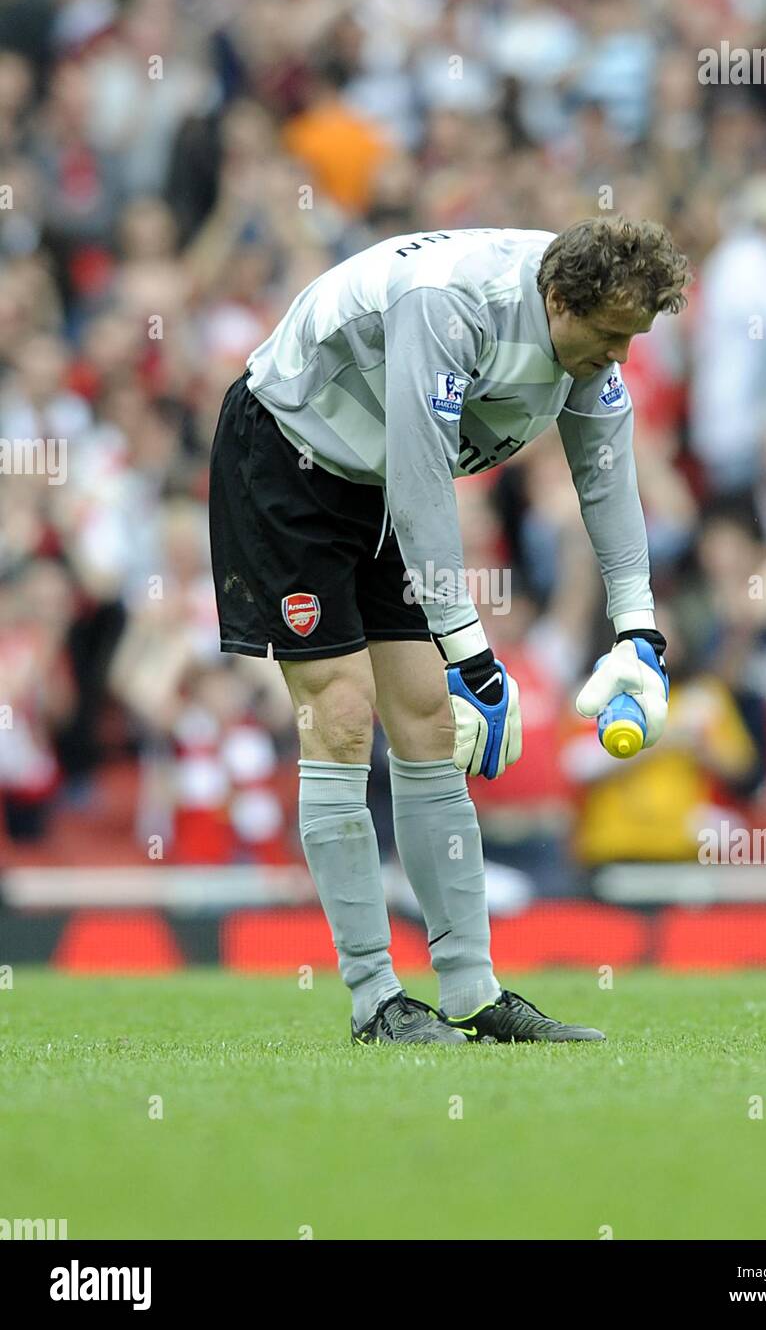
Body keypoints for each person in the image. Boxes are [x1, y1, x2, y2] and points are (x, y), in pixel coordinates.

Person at [208, 216, 688, 1044]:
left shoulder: (589, 335)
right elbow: (425, 475)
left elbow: (606, 480)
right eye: (610, 338)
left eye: (632, 340)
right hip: (288, 457)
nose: (619, 357)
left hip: (381, 478)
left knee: (428, 720)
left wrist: (636, 632)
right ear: (557, 299)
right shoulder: (451, 305)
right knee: (343, 714)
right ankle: (375, 1000)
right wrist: (470, 649)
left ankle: (472, 992)